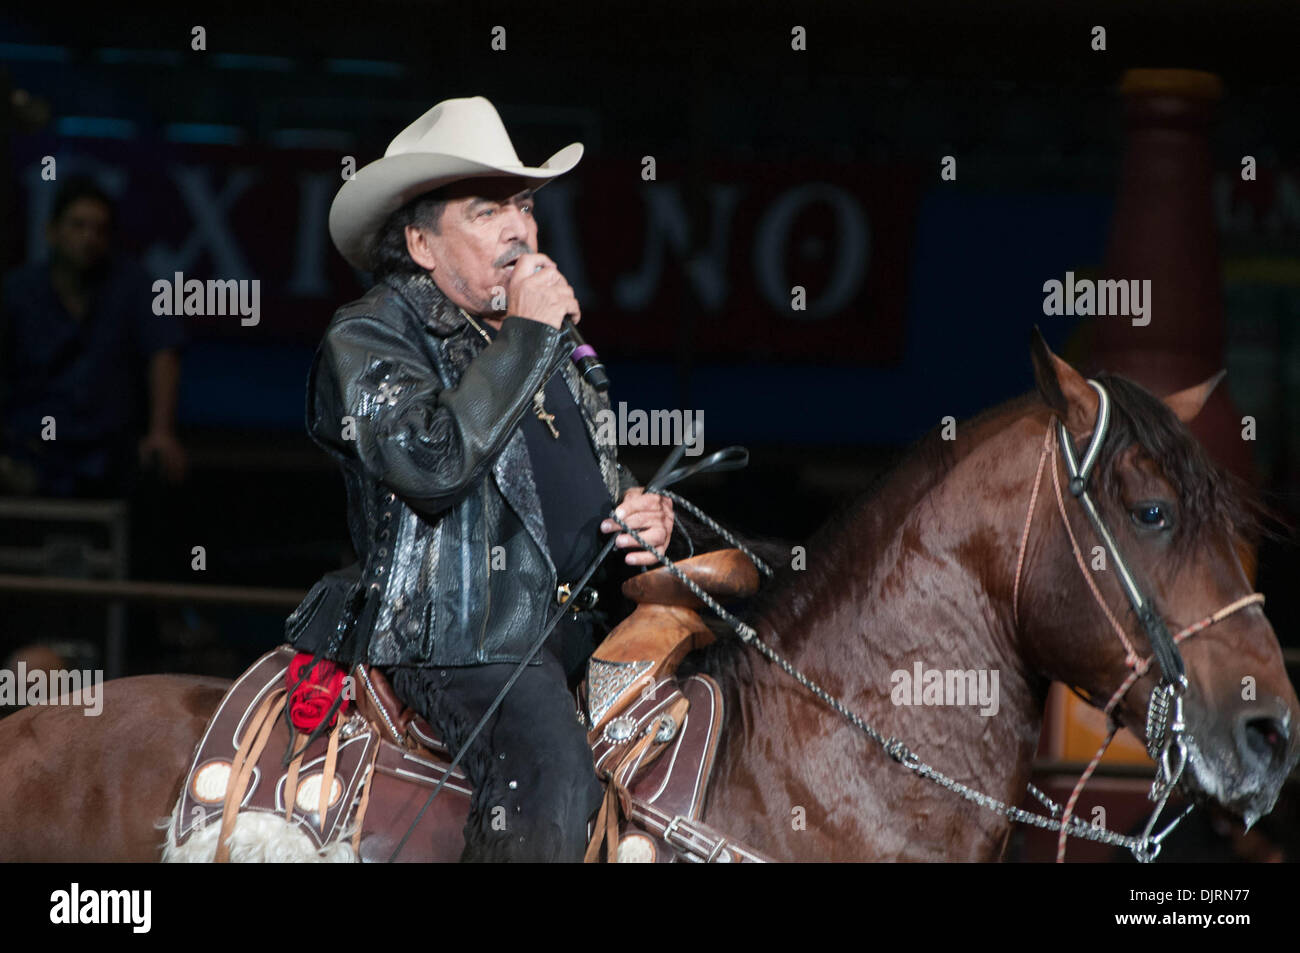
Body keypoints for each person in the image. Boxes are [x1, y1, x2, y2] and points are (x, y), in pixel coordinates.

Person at [302, 96, 677, 861]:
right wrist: (531, 336)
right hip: (460, 635)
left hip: (582, 626)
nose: (519, 228)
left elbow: (586, 485)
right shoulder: (371, 332)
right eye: (485, 211)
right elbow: (430, 464)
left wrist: (649, 517)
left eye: (523, 206)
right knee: (554, 775)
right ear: (421, 242)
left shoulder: (539, 344)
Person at [0, 176, 187, 497]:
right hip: (29, 449)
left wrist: (161, 432)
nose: (89, 237)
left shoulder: (133, 287)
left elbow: (163, 351)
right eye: (78, 225)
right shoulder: (18, 291)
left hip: (110, 451)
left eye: (99, 229)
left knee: (159, 471)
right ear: (52, 231)